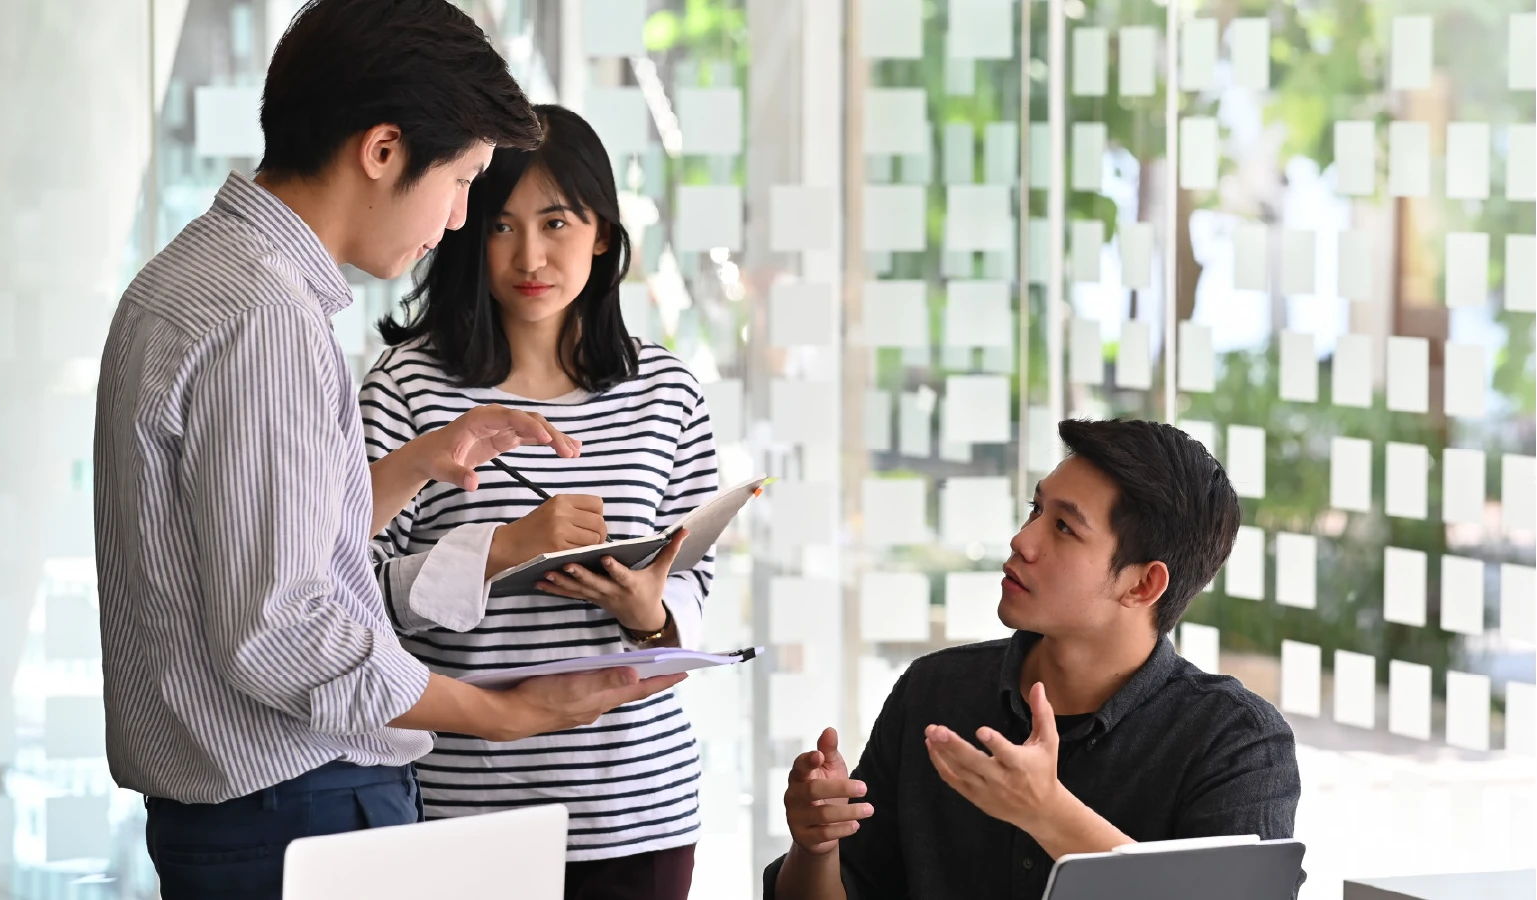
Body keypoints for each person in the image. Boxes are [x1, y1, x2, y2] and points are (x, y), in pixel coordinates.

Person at [93, 4, 684, 897]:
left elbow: (265, 551)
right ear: (382, 150)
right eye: (463, 182)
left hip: (253, 813)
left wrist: (419, 461)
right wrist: (501, 714)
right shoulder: (265, 319)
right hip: (296, 804)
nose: (456, 220)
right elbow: (287, 628)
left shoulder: (191, 280)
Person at [360, 104, 718, 900]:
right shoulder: (406, 387)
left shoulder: (665, 391)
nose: (530, 256)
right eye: (501, 226)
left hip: (637, 810)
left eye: (556, 223)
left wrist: (650, 612)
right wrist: (502, 549)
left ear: (602, 234)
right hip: (463, 807)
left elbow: (695, 573)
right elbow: (353, 593)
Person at [764, 419, 1302, 899]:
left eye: (1064, 527)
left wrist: (1046, 811)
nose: (1022, 540)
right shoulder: (935, 690)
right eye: (1036, 510)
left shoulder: (1236, 742)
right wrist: (815, 848)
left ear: (1143, 585)